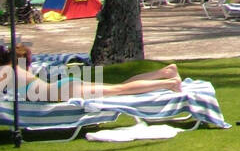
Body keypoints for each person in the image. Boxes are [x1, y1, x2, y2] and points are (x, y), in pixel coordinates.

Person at [1, 47, 185, 100]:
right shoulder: (18, 68)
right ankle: (166, 72)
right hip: (63, 87)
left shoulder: (7, 70)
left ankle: (168, 83)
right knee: (119, 87)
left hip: (64, 91)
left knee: (121, 90)